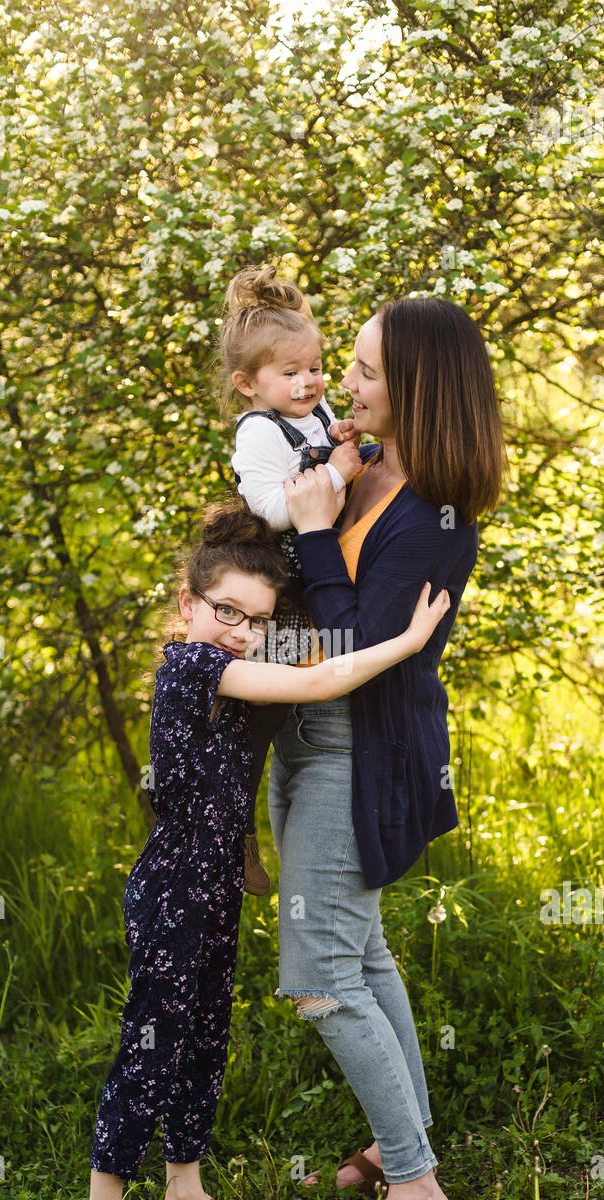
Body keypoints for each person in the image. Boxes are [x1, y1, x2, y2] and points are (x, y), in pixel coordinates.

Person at [76, 498, 450, 1200]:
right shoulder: (193, 665)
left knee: (203, 1039)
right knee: (152, 1042)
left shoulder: (237, 671)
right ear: (186, 604)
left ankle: (184, 1191)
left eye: (256, 620)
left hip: (211, 888)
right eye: (224, 611)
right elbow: (324, 682)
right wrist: (409, 640)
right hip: (175, 889)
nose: (239, 630)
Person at [268, 293, 507, 1200]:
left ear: (416, 388)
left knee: (318, 976)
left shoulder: (435, 513)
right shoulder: (359, 465)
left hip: (362, 748)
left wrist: (318, 535)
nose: (342, 385)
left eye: (364, 371)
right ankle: (395, 1139)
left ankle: (415, 1191)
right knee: (359, 952)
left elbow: (358, 645)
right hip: (308, 738)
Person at [215, 264, 378, 895]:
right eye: (290, 373)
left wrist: (344, 442)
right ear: (247, 384)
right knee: (262, 710)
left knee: (281, 708)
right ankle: (229, 828)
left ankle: (235, 821)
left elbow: (332, 456)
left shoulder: (315, 412)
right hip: (277, 592)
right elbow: (275, 509)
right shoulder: (258, 432)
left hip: (311, 583)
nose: (309, 381)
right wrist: (337, 474)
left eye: (314, 366)